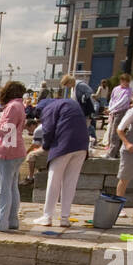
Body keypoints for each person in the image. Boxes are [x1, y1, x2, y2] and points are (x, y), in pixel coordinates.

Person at [32, 76, 90, 230]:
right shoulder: (69, 103)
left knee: (54, 180)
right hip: (82, 146)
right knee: (70, 182)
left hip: (64, 146)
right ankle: (65, 218)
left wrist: (45, 147)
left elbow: (48, 129)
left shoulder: (48, 109)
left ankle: (47, 216)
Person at [0, 80, 27, 231]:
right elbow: (12, 131)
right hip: (15, 150)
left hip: (8, 153)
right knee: (12, 187)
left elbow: (6, 128)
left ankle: (1, 222)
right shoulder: (19, 106)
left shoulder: (12, 107)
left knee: (3, 188)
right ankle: (12, 220)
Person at [115, 97, 133, 216]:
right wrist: (127, 144)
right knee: (124, 178)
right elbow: (120, 129)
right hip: (130, 149)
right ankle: (119, 206)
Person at [105, 73, 132, 155]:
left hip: (121, 112)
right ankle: (113, 152)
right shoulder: (116, 89)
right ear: (121, 81)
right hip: (113, 112)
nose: (127, 83)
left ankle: (112, 153)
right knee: (110, 132)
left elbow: (122, 101)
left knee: (115, 133)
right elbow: (112, 99)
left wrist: (111, 109)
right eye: (125, 81)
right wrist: (110, 108)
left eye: (128, 82)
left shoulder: (128, 90)